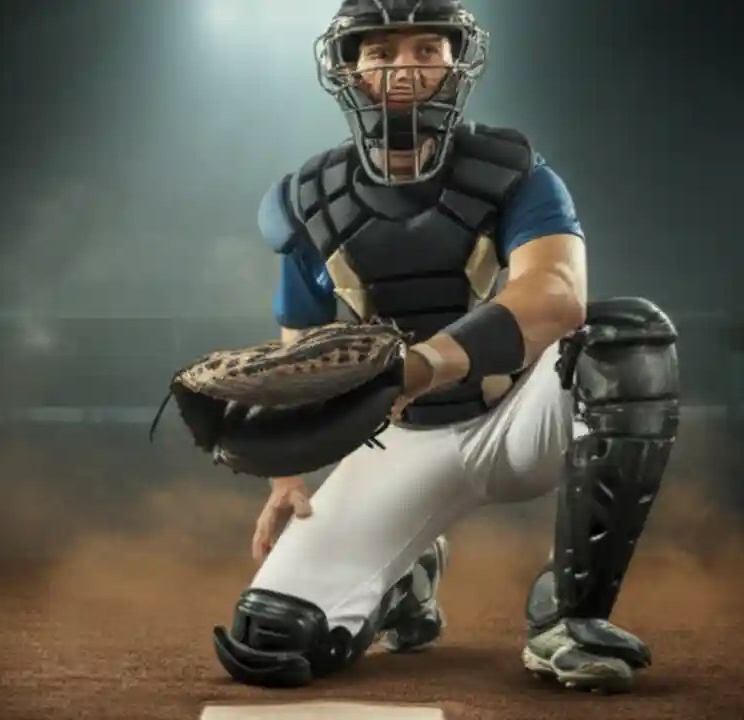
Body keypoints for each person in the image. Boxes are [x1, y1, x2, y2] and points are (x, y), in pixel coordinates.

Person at [210, 0, 679, 695]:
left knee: (625, 339)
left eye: (427, 50)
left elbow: (555, 295)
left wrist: (426, 362)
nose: (404, 69)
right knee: (277, 639)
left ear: (458, 62)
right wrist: (288, 468)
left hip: (521, 415)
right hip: (406, 440)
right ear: (350, 69)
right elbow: (300, 347)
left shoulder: (516, 173)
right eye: (381, 52)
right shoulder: (312, 198)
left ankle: (571, 618)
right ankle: (409, 575)